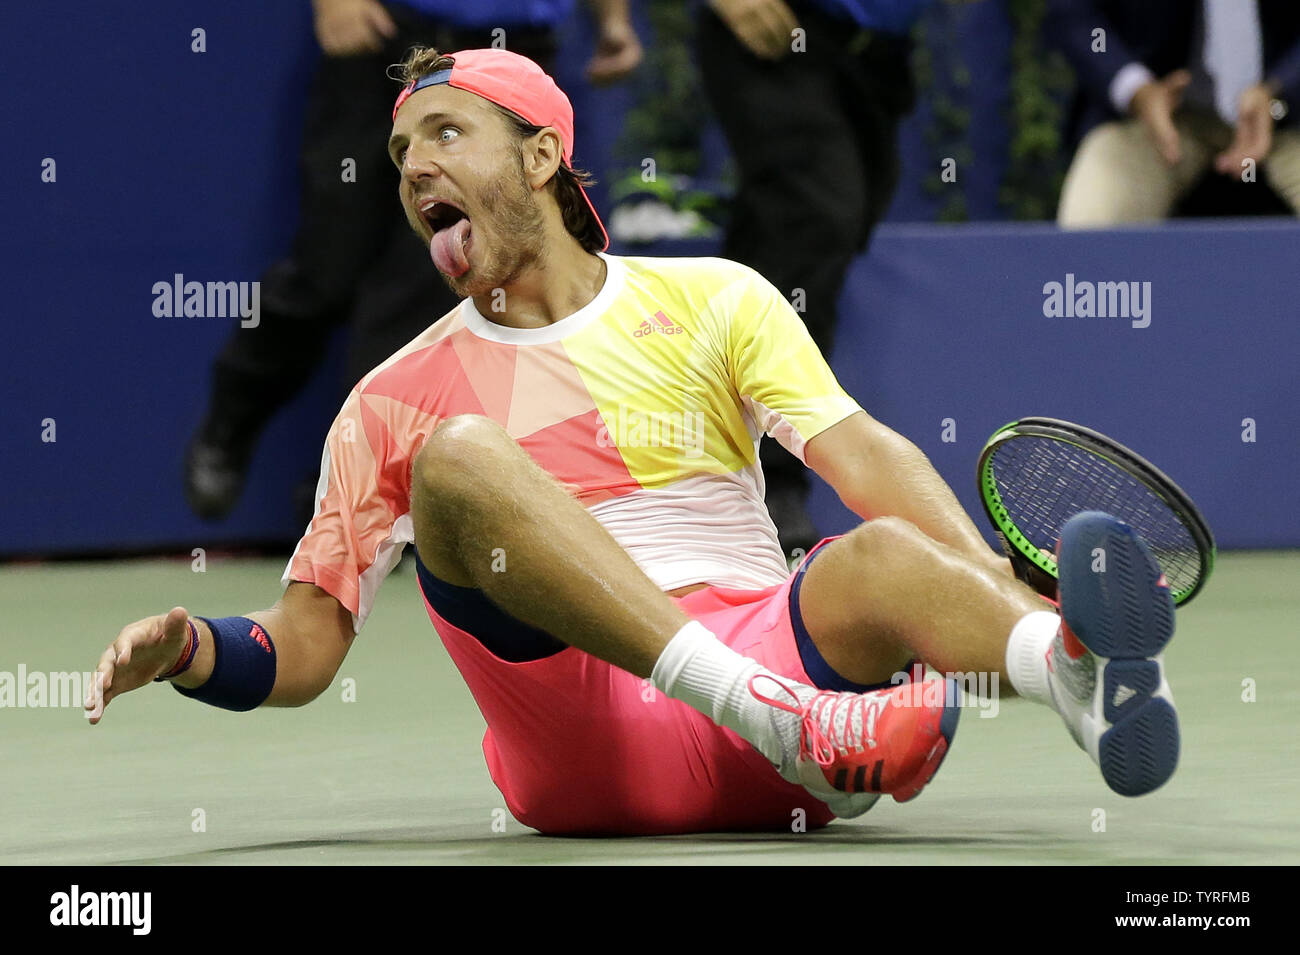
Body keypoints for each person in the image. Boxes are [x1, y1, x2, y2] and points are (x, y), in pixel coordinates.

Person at [90, 48, 1183, 836]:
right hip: (591, 741)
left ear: (541, 155)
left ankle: (1071, 673)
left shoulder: (715, 299)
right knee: (460, 458)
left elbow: (858, 455)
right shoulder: (394, 396)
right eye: (399, 149)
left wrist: (986, 588)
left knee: (875, 556)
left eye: (446, 132)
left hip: (784, 692)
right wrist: (193, 649)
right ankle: (790, 717)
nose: (414, 164)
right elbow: (304, 645)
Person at [185, 0, 642, 521]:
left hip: (514, 57)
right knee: (326, 268)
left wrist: (613, 21)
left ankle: (359, 496)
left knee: (417, 292)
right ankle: (232, 420)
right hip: (387, 42)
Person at [697, 0, 932, 557]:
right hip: (777, 25)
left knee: (792, 234)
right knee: (815, 217)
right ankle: (770, 483)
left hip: (876, 52)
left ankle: (712, 461)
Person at [1049, 0, 1300, 226]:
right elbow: (1077, 16)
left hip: (1284, 116)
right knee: (1089, 230)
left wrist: (1279, 92)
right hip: (1159, 116)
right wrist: (1137, 91)